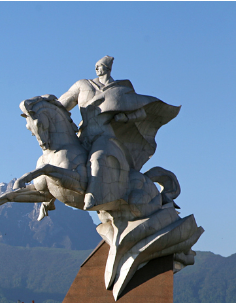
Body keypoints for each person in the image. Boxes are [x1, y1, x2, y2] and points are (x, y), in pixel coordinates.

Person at [57, 56, 179, 209]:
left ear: (108, 68)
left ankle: (93, 194)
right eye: (96, 66)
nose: (97, 68)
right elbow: (61, 104)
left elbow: (141, 113)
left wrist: (125, 117)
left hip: (104, 135)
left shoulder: (121, 90)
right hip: (84, 134)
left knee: (98, 158)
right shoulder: (83, 85)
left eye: (100, 65)